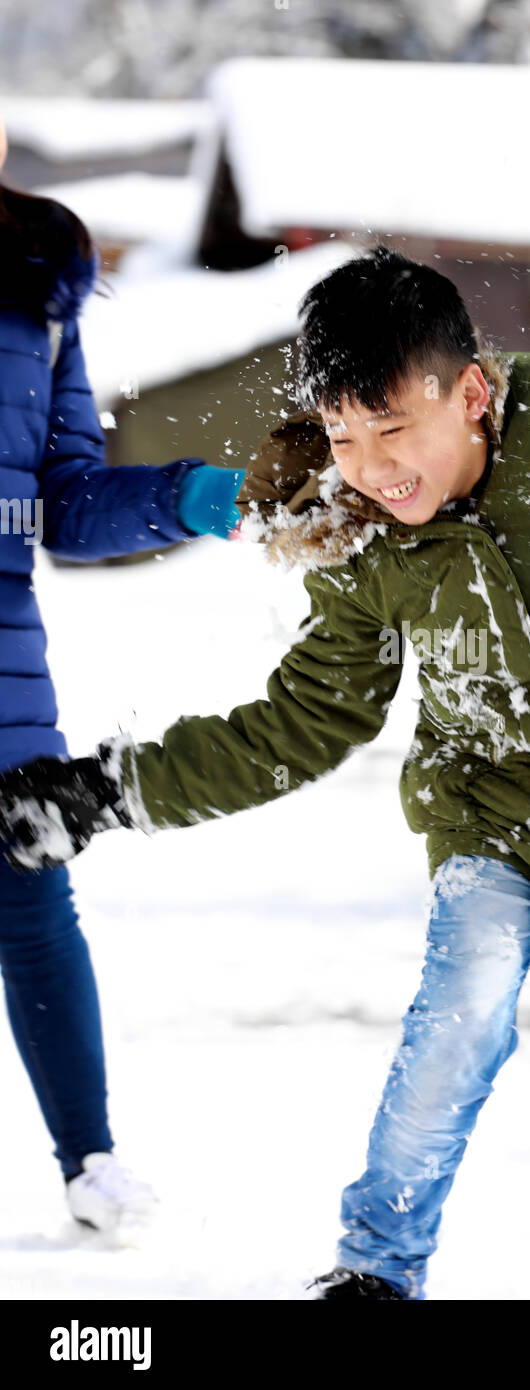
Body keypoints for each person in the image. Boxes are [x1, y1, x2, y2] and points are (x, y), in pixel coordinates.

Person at [0, 248, 530, 1300]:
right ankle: (376, 1271)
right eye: (345, 436)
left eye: (394, 428)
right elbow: (303, 719)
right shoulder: (362, 536)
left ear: (472, 391)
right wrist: (106, 792)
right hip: (491, 806)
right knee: (453, 1027)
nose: (372, 466)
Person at [0, 118, 244, 1239]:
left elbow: (61, 499)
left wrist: (176, 497)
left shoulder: (37, 277)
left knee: (34, 903)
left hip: (4, 660)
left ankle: (90, 1162)